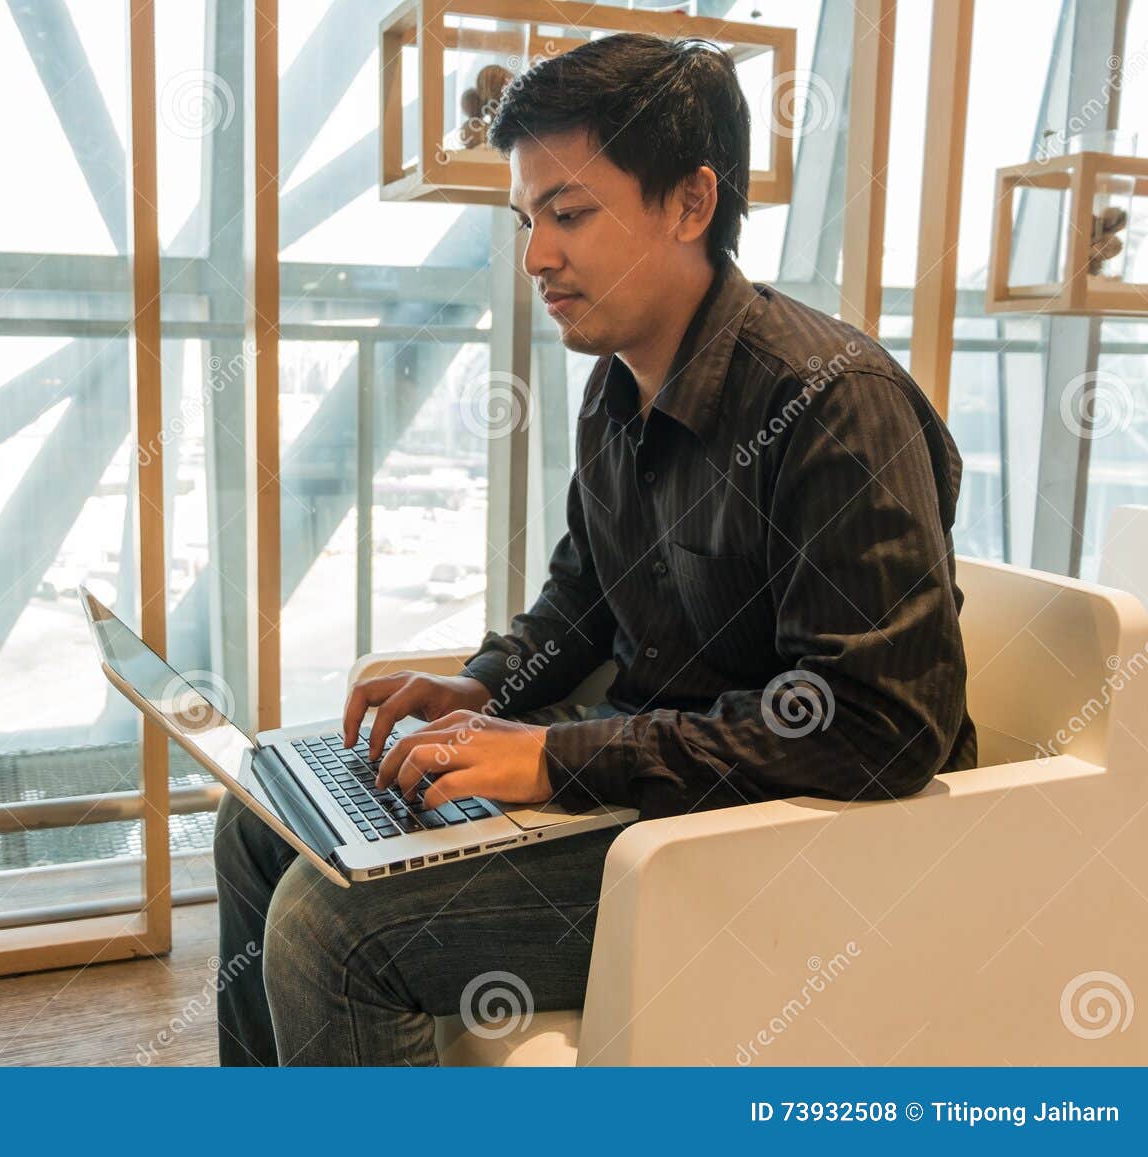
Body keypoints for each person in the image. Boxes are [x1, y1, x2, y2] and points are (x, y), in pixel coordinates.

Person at [214, 31, 976, 1067]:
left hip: (784, 839)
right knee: (258, 820)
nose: (534, 255)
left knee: (329, 927)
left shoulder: (830, 404)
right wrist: (484, 685)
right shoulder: (616, 389)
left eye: (568, 213)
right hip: (663, 790)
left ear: (689, 204)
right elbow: (582, 602)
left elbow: (881, 721)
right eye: (528, 220)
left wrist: (558, 757)